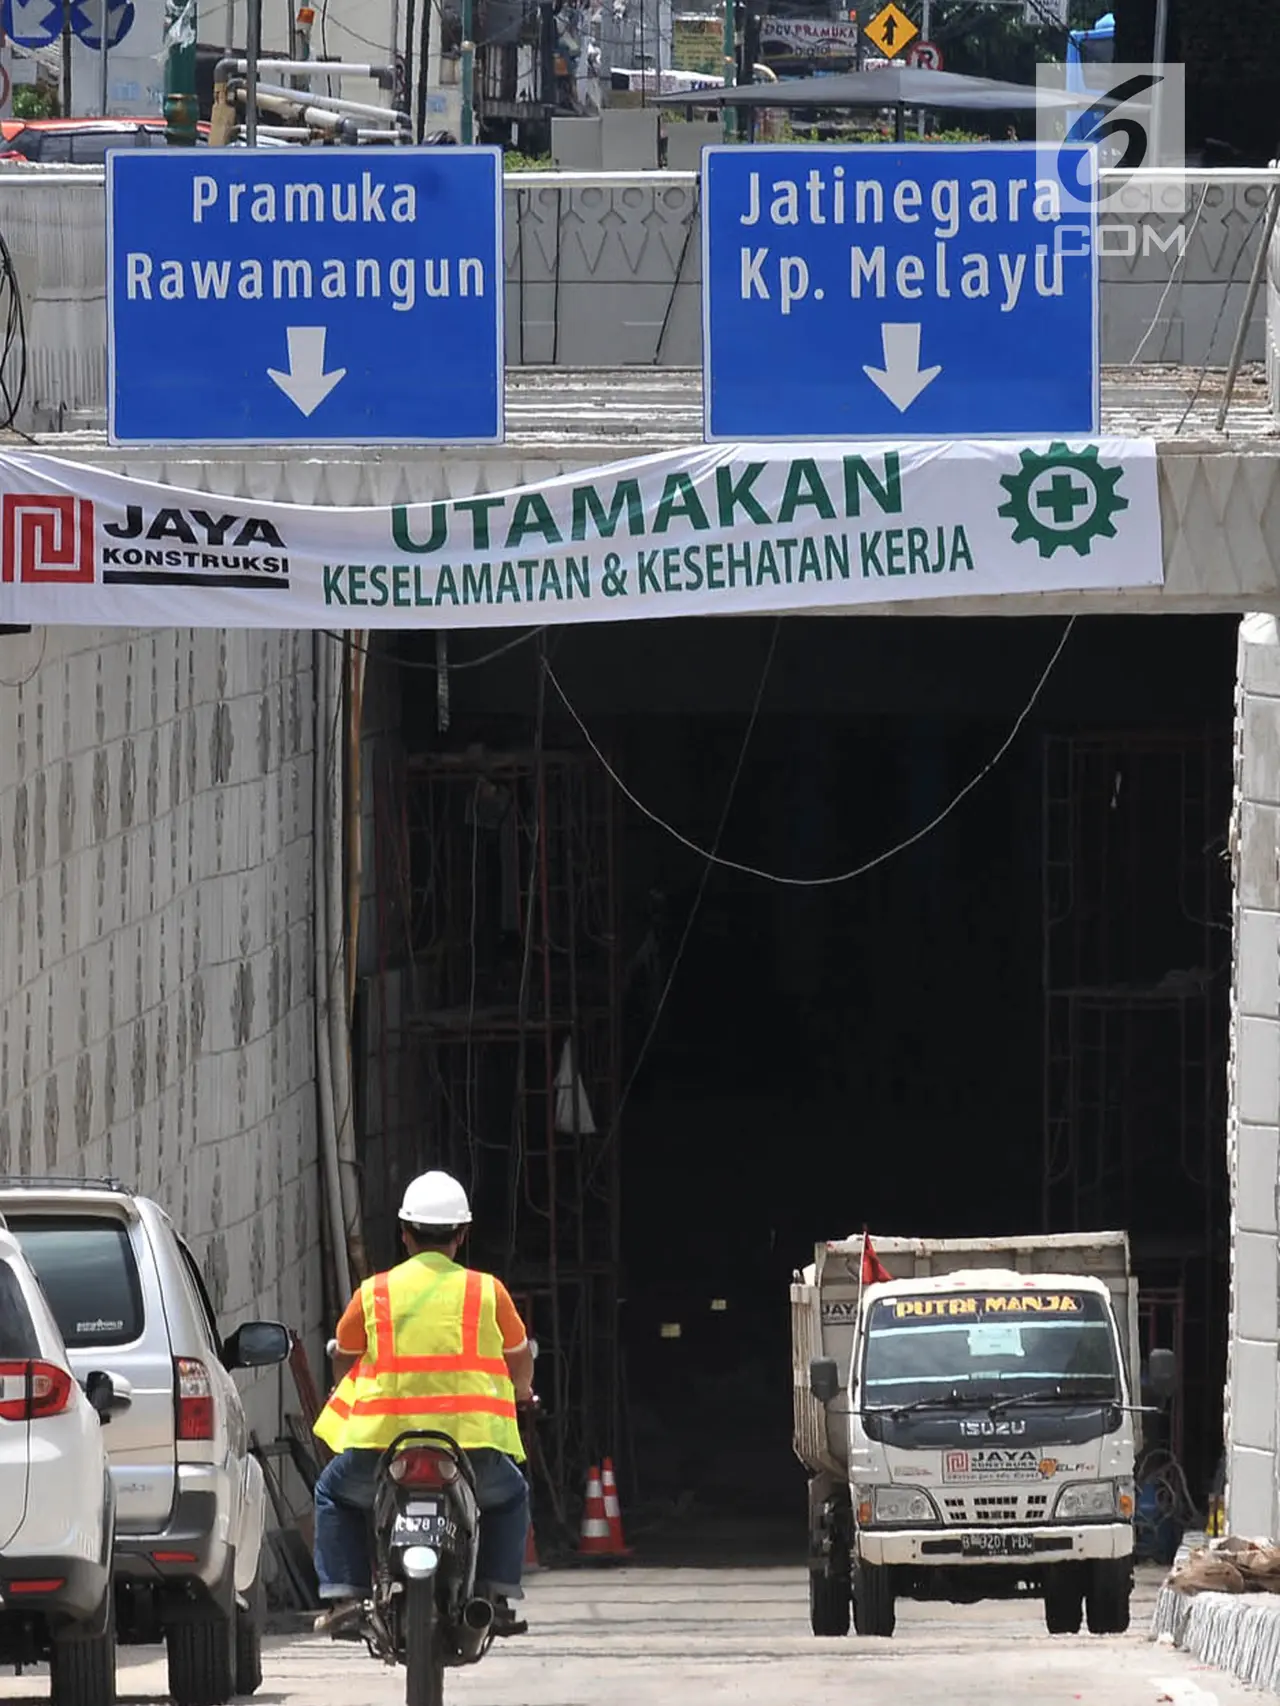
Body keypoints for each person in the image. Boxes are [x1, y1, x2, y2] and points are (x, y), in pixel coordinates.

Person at [311, 1170, 535, 1637]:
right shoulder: (488, 1292)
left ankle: (346, 1596)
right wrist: (521, 1394)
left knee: (332, 1493)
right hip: (471, 1451)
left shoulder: (374, 1292)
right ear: (463, 1234)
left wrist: (340, 1389)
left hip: (381, 1453)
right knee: (511, 1497)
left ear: (404, 1233)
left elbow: (345, 1360)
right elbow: (518, 1361)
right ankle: (495, 1595)